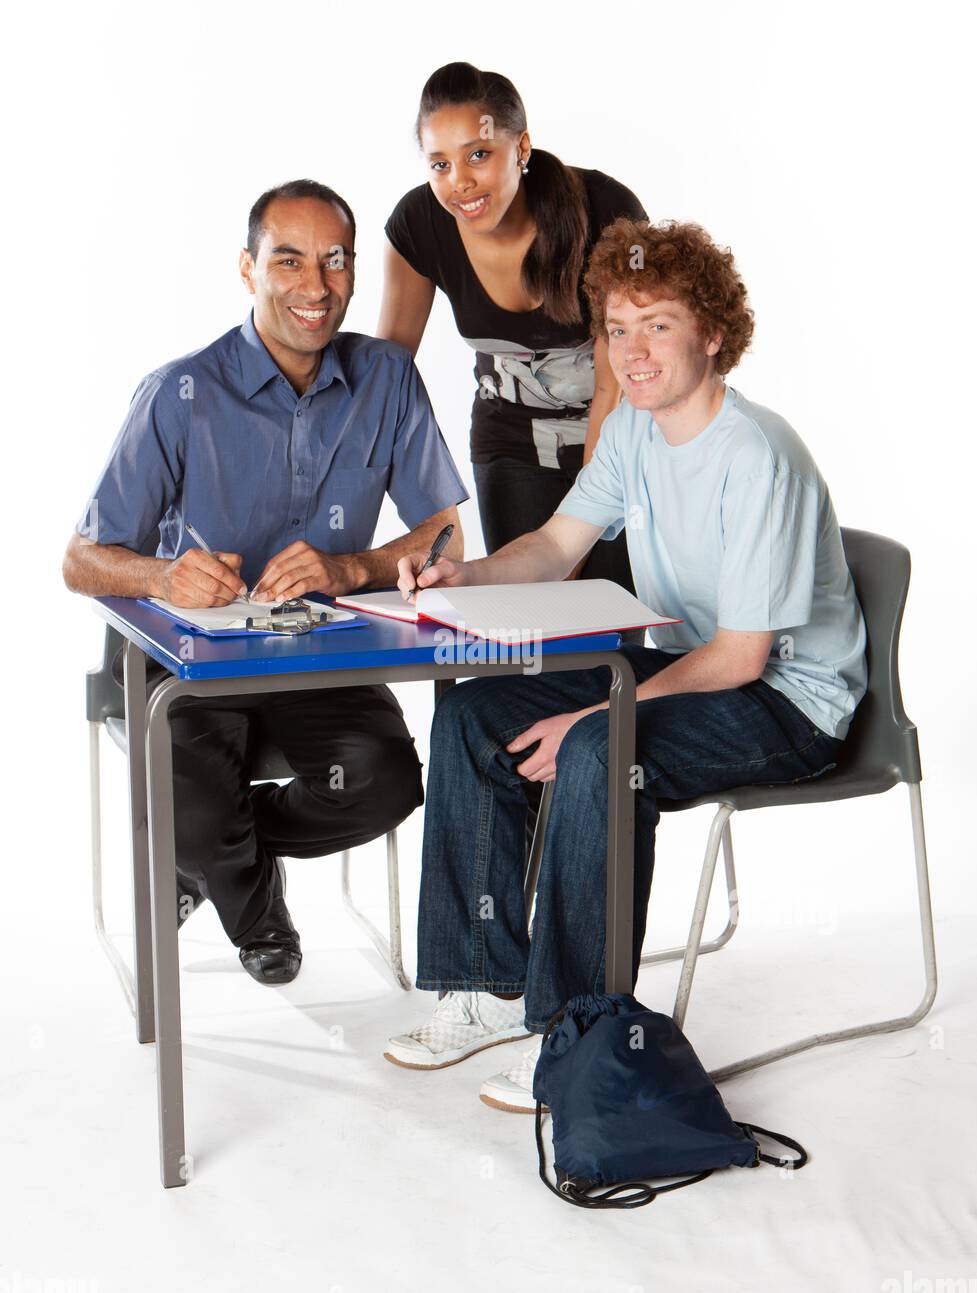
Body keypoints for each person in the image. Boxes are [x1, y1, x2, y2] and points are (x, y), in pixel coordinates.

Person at [383, 219, 868, 1112]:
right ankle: (490, 990)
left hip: (787, 702)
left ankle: (577, 1029)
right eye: (615, 327)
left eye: (658, 324)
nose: (632, 351)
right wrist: (466, 575)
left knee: (605, 757)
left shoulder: (754, 455)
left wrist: (594, 719)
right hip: (692, 668)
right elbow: (551, 548)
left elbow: (740, 656)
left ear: (712, 332)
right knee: (472, 714)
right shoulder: (635, 435)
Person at [63, 179, 468, 987]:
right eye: (288, 260)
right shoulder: (178, 393)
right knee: (196, 804)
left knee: (386, 786)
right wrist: (163, 576)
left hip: (312, 653)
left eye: (334, 261)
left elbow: (448, 534)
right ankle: (253, 908)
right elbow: (81, 560)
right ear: (247, 268)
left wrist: (352, 568)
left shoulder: (385, 377)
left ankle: (209, 859)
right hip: (182, 662)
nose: (315, 287)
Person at [378, 61, 647, 585]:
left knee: (610, 619)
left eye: (478, 155)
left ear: (521, 149)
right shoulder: (419, 225)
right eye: (439, 164)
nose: (459, 183)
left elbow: (617, 379)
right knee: (528, 624)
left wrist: (582, 523)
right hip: (512, 440)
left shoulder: (606, 212)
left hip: (618, 430)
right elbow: (389, 371)